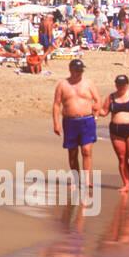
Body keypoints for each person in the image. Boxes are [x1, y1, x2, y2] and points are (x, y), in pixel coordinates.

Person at [52, 59, 102, 193]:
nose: (79, 73)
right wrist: (56, 123)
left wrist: (96, 115)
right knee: (72, 152)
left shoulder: (88, 83)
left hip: (87, 120)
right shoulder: (63, 85)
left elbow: (98, 100)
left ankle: (87, 180)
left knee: (86, 151)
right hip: (70, 121)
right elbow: (57, 104)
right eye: (77, 70)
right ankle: (76, 179)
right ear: (71, 70)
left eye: (81, 70)